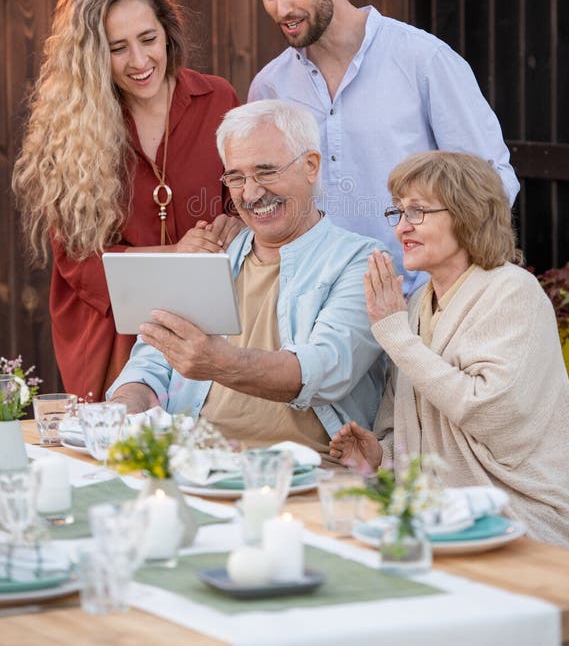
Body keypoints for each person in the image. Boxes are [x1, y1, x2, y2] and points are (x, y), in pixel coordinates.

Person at [247, 0, 520, 294]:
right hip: (320, 310)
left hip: (420, 302)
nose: (281, 9)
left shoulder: (423, 60)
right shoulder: (269, 88)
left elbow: (491, 181)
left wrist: (441, 285)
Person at [329, 151, 569, 551]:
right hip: (438, 523)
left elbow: (491, 410)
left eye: (417, 212)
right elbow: (407, 426)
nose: (401, 229)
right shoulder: (414, 306)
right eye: (397, 212)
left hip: (520, 527)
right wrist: (380, 454)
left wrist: (396, 336)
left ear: (467, 214)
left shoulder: (513, 292)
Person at [12, 0, 240, 401]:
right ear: (93, 55)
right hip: (111, 336)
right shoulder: (73, 127)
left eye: (148, 39)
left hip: (204, 322)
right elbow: (80, 262)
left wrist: (236, 224)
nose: (139, 62)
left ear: (167, 34)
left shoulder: (219, 99)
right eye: (117, 48)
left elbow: (242, 201)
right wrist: (176, 254)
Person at [108, 100, 386, 455]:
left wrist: (219, 362)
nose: (251, 193)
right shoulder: (213, 250)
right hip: (193, 463)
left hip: (307, 475)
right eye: (236, 177)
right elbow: (151, 360)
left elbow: (327, 370)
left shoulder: (360, 260)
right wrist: (127, 403)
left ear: (311, 166)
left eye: (266, 172)